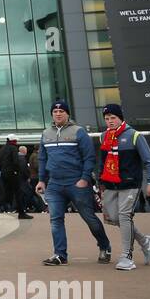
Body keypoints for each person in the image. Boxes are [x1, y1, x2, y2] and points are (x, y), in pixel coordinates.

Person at [36, 99, 112, 266]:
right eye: (55, 112)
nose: (58, 114)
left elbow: (89, 157)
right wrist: (42, 180)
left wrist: (84, 178)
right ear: (51, 114)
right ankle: (60, 255)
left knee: (89, 218)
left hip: (76, 182)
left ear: (68, 113)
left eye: (61, 111)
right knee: (55, 219)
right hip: (55, 184)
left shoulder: (79, 132)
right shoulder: (46, 133)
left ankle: (105, 246)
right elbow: (42, 158)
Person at [94, 103, 150, 271]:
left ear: (120, 117)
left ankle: (127, 257)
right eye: (107, 118)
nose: (110, 121)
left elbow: (149, 161)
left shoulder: (135, 136)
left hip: (130, 184)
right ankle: (145, 241)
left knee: (124, 217)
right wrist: (100, 182)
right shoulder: (103, 136)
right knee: (114, 219)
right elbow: (102, 161)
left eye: (113, 118)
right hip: (109, 185)